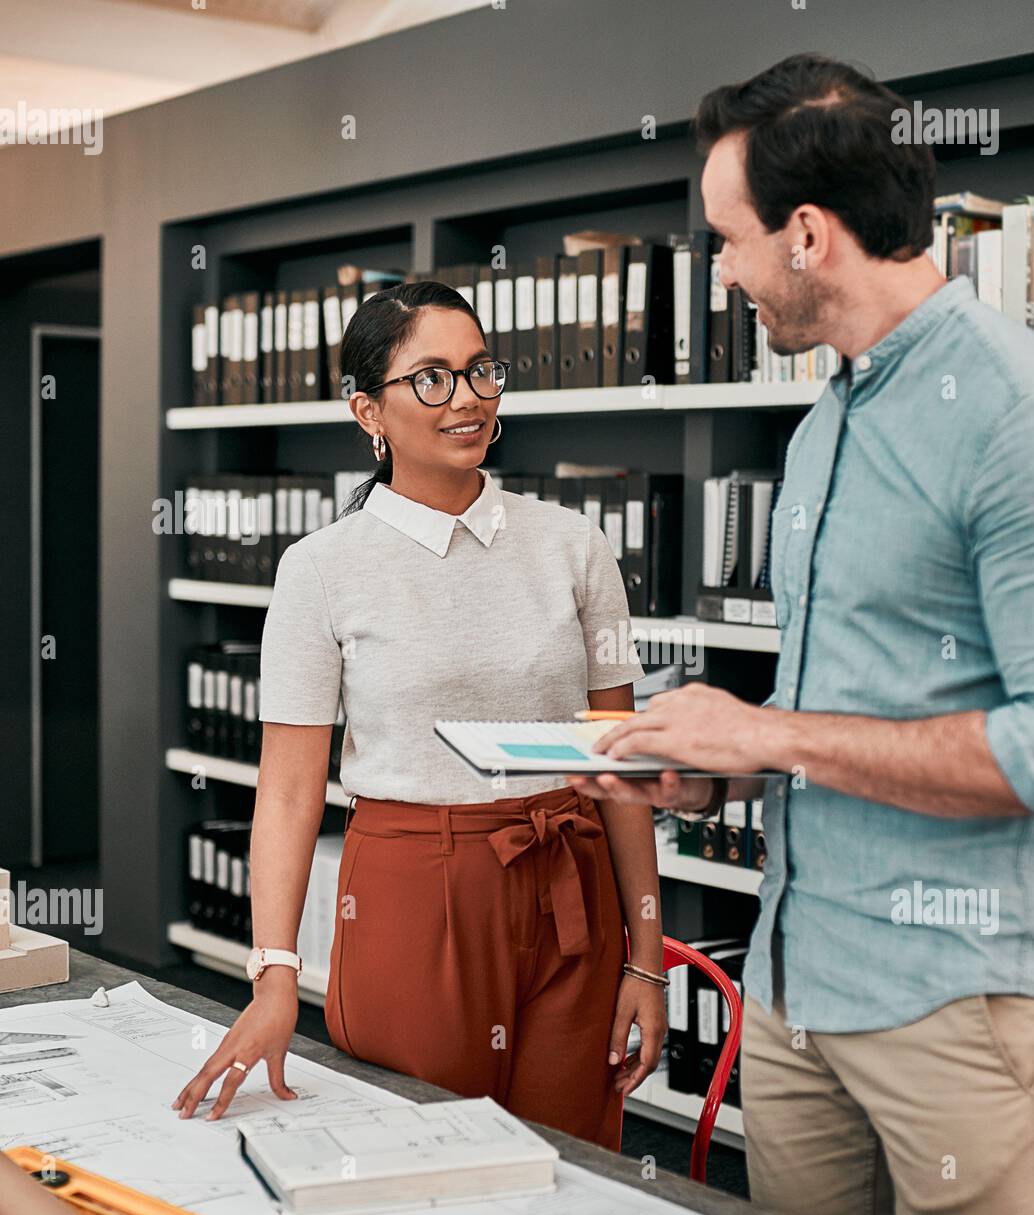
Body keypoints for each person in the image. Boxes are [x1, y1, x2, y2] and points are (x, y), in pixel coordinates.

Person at [569, 53, 1034, 1215]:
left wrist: (770, 738)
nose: (719, 271)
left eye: (728, 239)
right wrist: (719, 768)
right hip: (797, 994)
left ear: (811, 236)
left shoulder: (1026, 416)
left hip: (963, 1018)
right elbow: (866, 708)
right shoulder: (826, 419)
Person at [174, 281, 667, 1150]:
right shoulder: (320, 569)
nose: (469, 397)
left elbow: (618, 762)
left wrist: (647, 958)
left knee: (575, 1164)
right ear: (369, 410)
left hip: (571, 884)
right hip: (413, 896)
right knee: (419, 1156)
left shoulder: (575, 545)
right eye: (432, 378)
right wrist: (274, 974)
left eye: (481, 371)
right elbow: (289, 793)